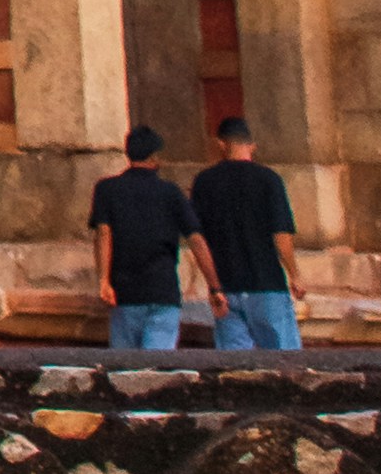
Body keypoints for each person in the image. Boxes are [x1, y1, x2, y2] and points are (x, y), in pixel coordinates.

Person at [191, 116, 300, 357]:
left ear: (221, 144)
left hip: (227, 288)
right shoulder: (269, 180)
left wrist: (213, 286)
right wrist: (295, 275)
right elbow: (281, 235)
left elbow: (198, 241)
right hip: (267, 285)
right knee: (286, 362)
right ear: (252, 145)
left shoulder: (205, 183)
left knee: (233, 366)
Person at [87, 128, 194, 355]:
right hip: (162, 288)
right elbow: (196, 237)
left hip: (125, 291)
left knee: (124, 368)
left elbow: (104, 234)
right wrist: (214, 286)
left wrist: (104, 280)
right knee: (157, 366)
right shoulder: (171, 192)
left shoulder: (107, 189)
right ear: (155, 157)